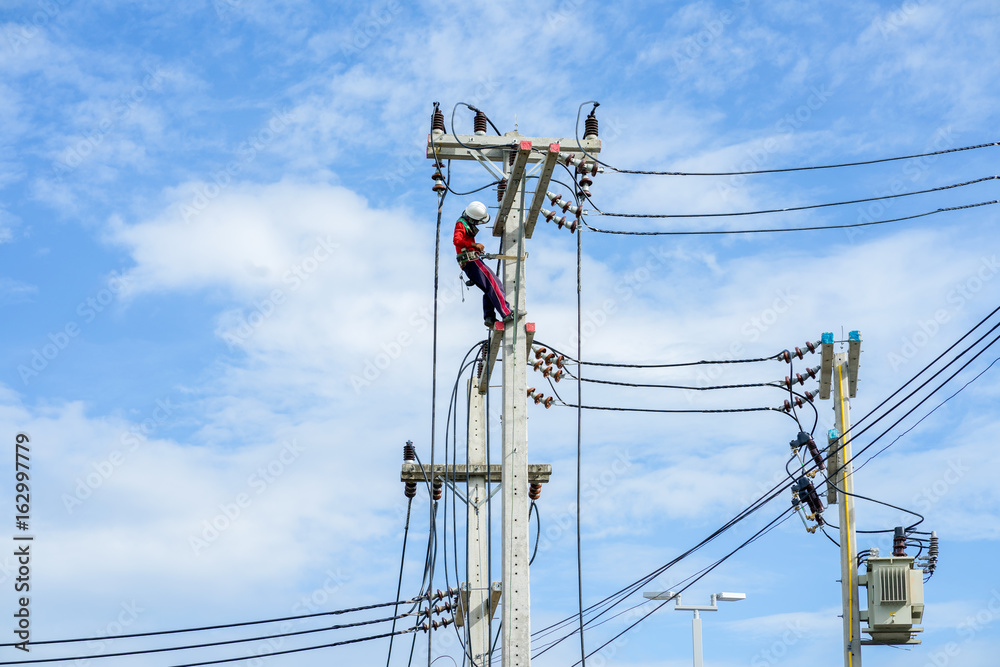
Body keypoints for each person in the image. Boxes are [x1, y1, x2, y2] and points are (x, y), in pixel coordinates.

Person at [453, 201, 514, 327]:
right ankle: (506, 312)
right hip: (470, 261)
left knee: (488, 289)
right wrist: (474, 245)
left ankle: (489, 317)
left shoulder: (464, 222)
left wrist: (475, 249)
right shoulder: (461, 223)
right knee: (494, 283)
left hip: (470, 261)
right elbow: (457, 240)